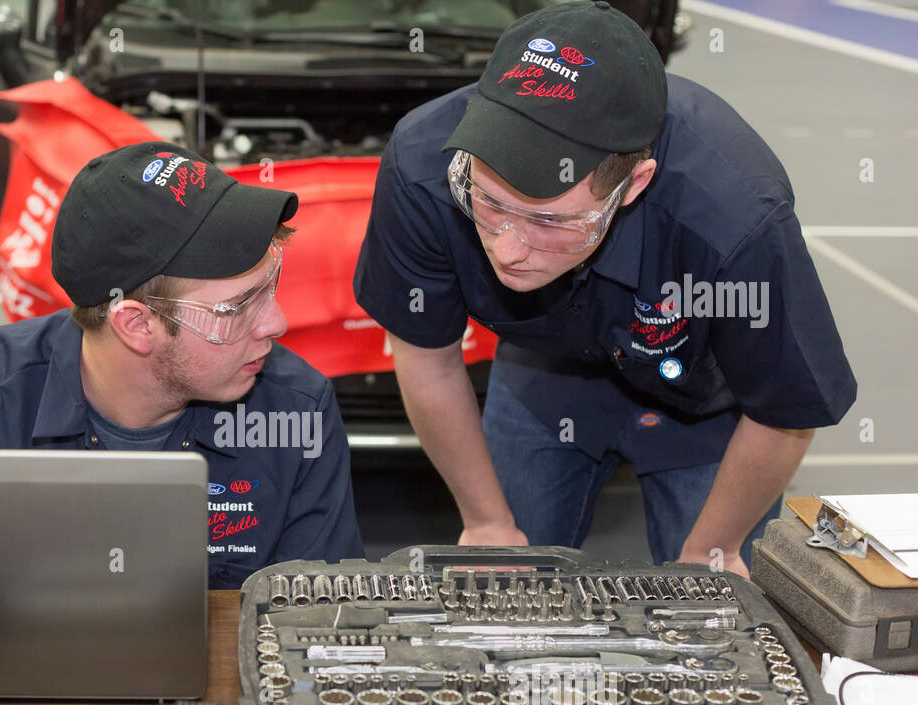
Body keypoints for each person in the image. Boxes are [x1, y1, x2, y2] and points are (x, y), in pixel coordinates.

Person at [354, 1, 856, 577]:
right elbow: (428, 358)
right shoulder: (424, 166)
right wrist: (487, 523)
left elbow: (785, 412)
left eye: (550, 221)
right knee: (501, 584)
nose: (508, 249)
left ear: (634, 186)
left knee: (710, 608)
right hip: (547, 373)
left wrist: (709, 552)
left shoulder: (734, 218)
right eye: (487, 203)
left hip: (706, 400)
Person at [0, 141, 364, 588]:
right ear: (136, 325)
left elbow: (318, 629)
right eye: (237, 308)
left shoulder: (296, 412)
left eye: (271, 283)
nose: (277, 323)